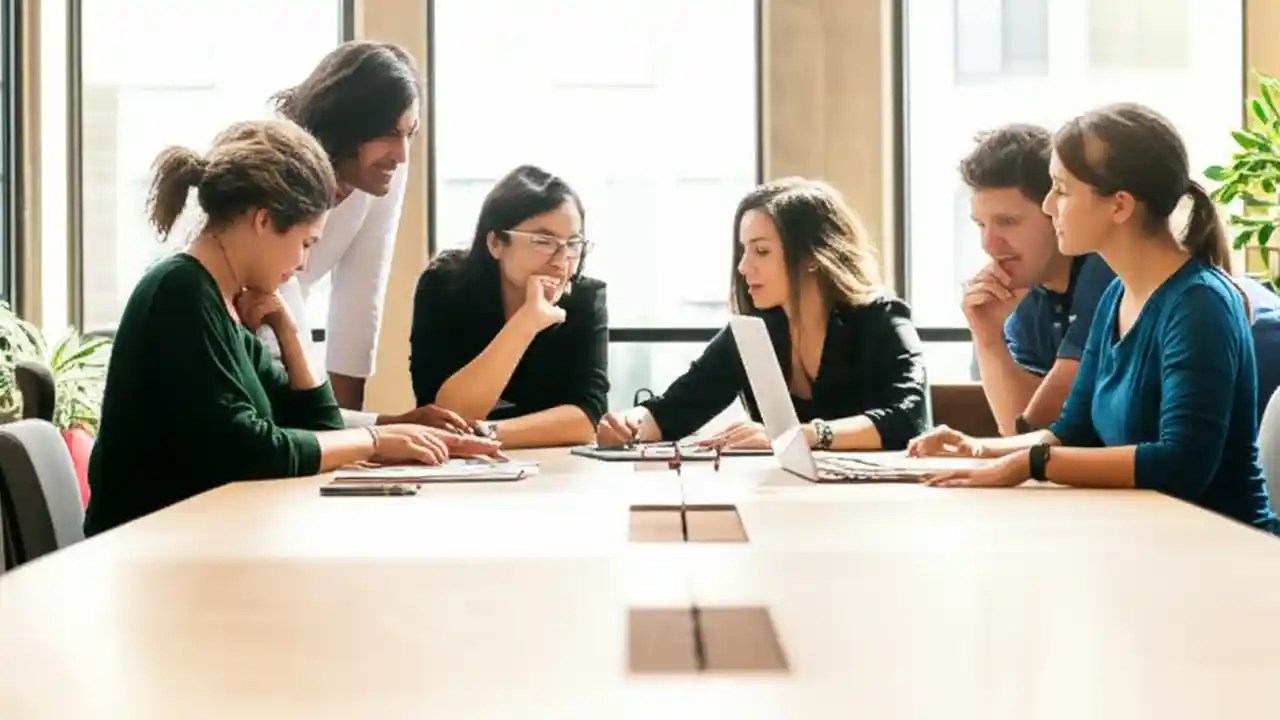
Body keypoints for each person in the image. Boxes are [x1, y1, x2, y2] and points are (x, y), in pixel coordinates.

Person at [84, 120, 499, 536]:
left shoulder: (223, 305)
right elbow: (250, 451)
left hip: (200, 542)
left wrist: (289, 334)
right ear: (264, 221)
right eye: (306, 243)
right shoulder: (181, 292)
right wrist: (375, 440)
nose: (302, 264)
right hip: (151, 555)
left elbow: (318, 430)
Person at [912, 103, 1279, 534]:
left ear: (1119, 206)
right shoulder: (1116, 296)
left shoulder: (1201, 304)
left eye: (1061, 190)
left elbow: (1184, 462)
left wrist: (1032, 464)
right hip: (1148, 541)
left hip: (1224, 551)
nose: (1049, 206)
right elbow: (1071, 429)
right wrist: (978, 450)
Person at [962, 123, 1280, 432]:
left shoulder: (1113, 269)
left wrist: (1023, 456)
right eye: (979, 225)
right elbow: (1032, 429)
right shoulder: (1026, 294)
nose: (988, 245)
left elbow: (1044, 431)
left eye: (1008, 221)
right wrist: (988, 337)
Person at [596, 177, 928, 451]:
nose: (743, 266)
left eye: (761, 251)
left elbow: (908, 419)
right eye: (743, 250)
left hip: (875, 507)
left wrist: (797, 436)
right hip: (785, 502)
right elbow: (674, 410)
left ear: (812, 255)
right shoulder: (754, 332)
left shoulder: (880, 320)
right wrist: (630, 424)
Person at [269, 40, 467, 432]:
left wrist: (360, 445)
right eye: (390, 135)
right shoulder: (275, 172)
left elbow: (359, 304)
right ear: (347, 126)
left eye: (411, 134)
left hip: (286, 320)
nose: (403, 155)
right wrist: (373, 432)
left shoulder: (383, 174)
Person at [409, 165, 608, 449]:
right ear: (496, 243)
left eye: (573, 243)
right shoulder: (444, 285)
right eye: (544, 241)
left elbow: (588, 418)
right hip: (454, 466)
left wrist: (486, 432)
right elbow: (445, 413)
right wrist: (526, 322)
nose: (562, 259)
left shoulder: (585, 298)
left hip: (554, 467)